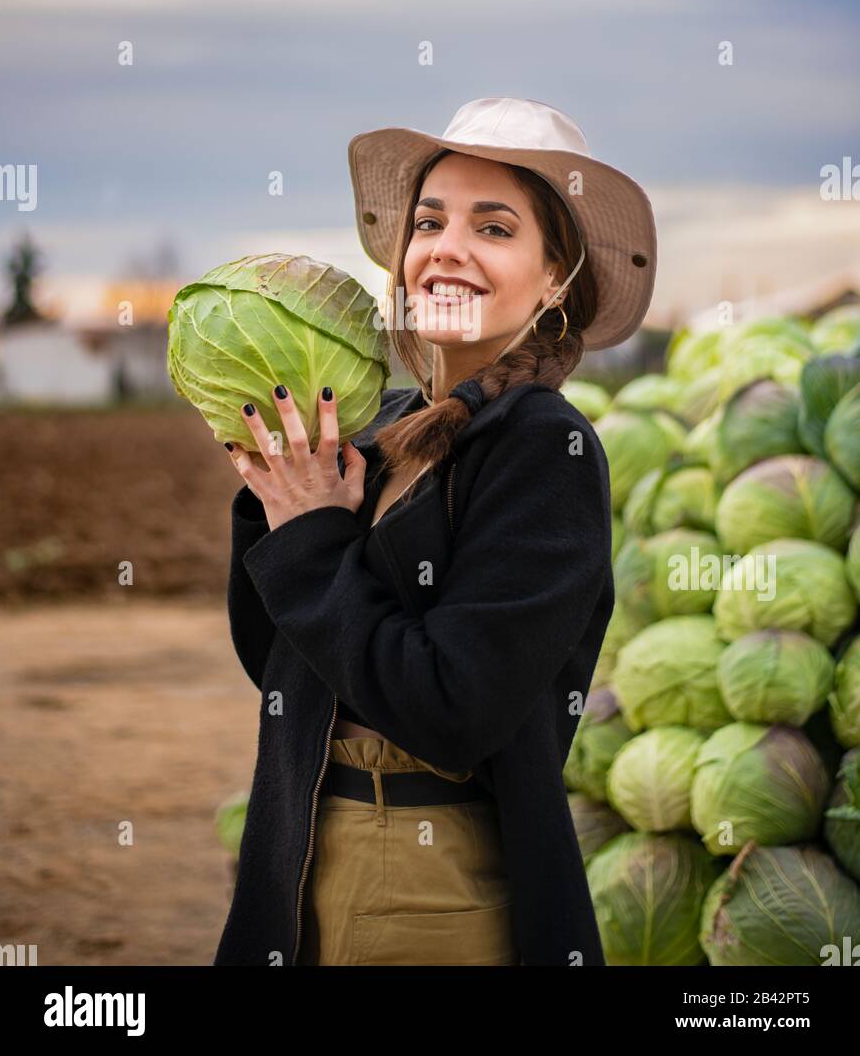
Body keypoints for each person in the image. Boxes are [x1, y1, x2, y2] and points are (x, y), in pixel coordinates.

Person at [213, 96, 657, 966]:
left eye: (494, 228)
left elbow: (453, 706)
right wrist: (275, 501)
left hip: (425, 882)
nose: (446, 248)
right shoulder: (381, 427)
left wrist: (311, 541)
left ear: (555, 279)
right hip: (297, 846)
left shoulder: (544, 450)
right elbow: (279, 660)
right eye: (429, 221)